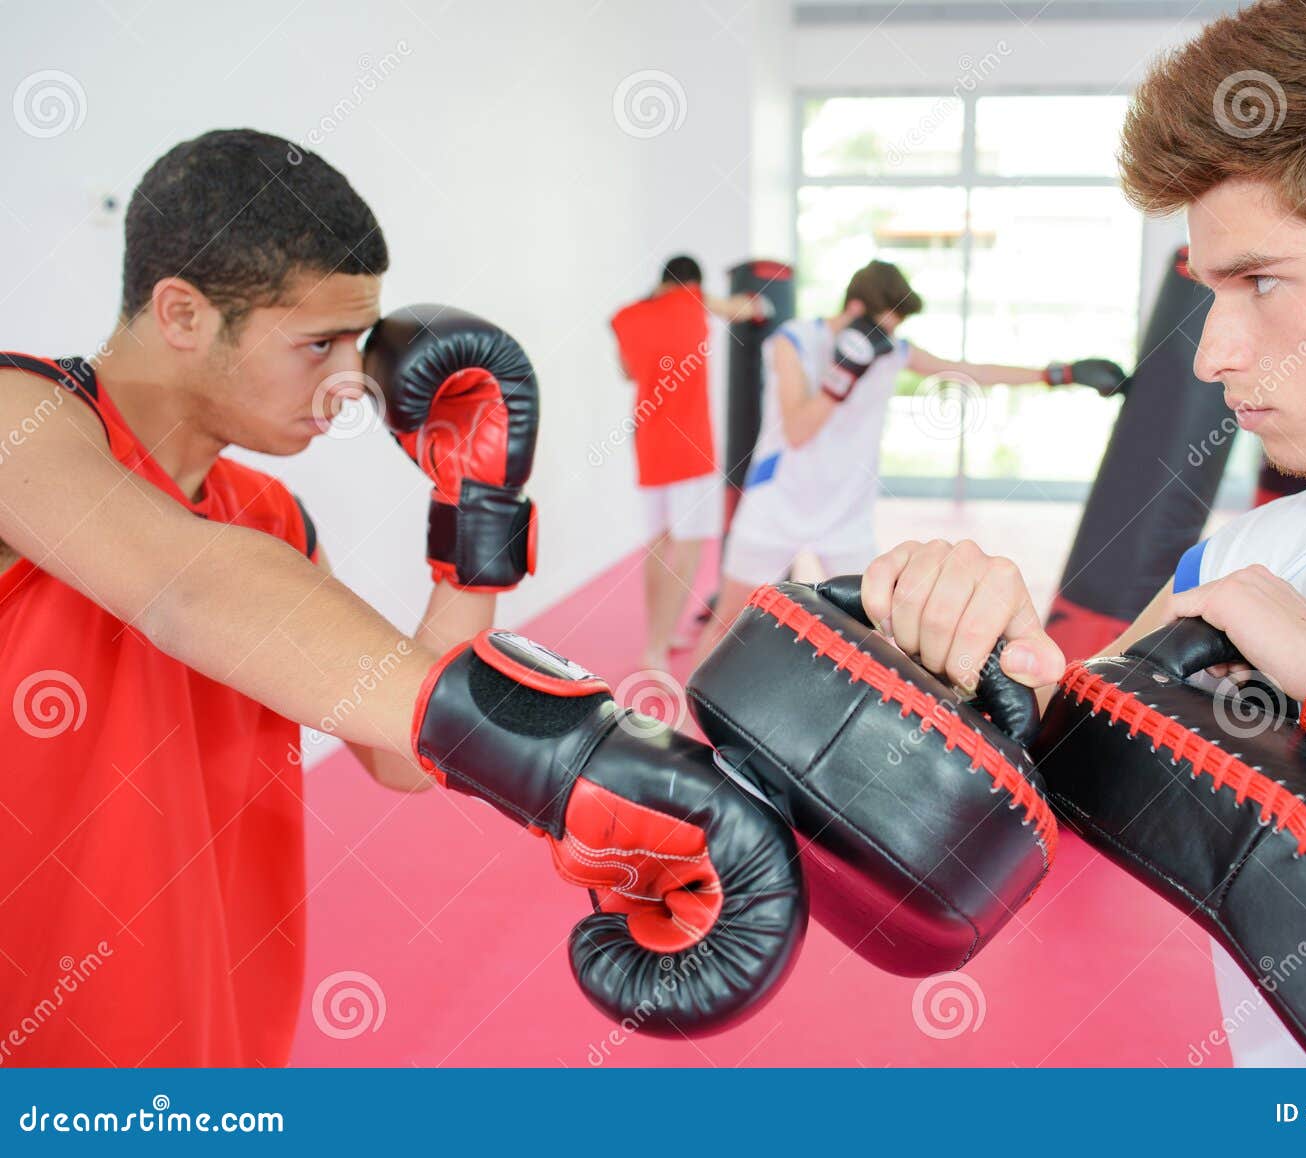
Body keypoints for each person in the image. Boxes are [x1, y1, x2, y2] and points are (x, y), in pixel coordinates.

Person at [859, 0, 1306, 1064]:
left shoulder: (1264, 600)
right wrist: (960, 651)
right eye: (1212, 290)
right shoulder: (1250, 572)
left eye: (1261, 280)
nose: (1209, 355)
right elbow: (1009, 793)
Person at [0, 130, 796, 1066]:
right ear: (182, 313)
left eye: (360, 342)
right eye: (318, 344)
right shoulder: (22, 418)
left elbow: (402, 756)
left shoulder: (270, 516)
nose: (351, 383)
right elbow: (186, 585)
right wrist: (568, 761)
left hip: (224, 1026)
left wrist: (477, 513)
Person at [691, 258, 1103, 668]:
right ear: (856, 309)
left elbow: (968, 370)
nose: (887, 338)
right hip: (778, 501)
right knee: (730, 620)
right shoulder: (794, 341)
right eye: (883, 327)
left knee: (875, 632)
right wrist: (841, 376)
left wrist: (1056, 375)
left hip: (844, 513)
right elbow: (798, 431)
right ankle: (684, 704)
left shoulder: (892, 351)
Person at [608, 256, 764, 671]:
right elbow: (744, 309)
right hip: (690, 449)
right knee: (689, 549)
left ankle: (659, 636)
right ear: (691, 282)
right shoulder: (693, 298)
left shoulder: (627, 316)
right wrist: (759, 300)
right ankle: (656, 648)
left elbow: (627, 372)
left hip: (649, 444)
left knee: (658, 544)